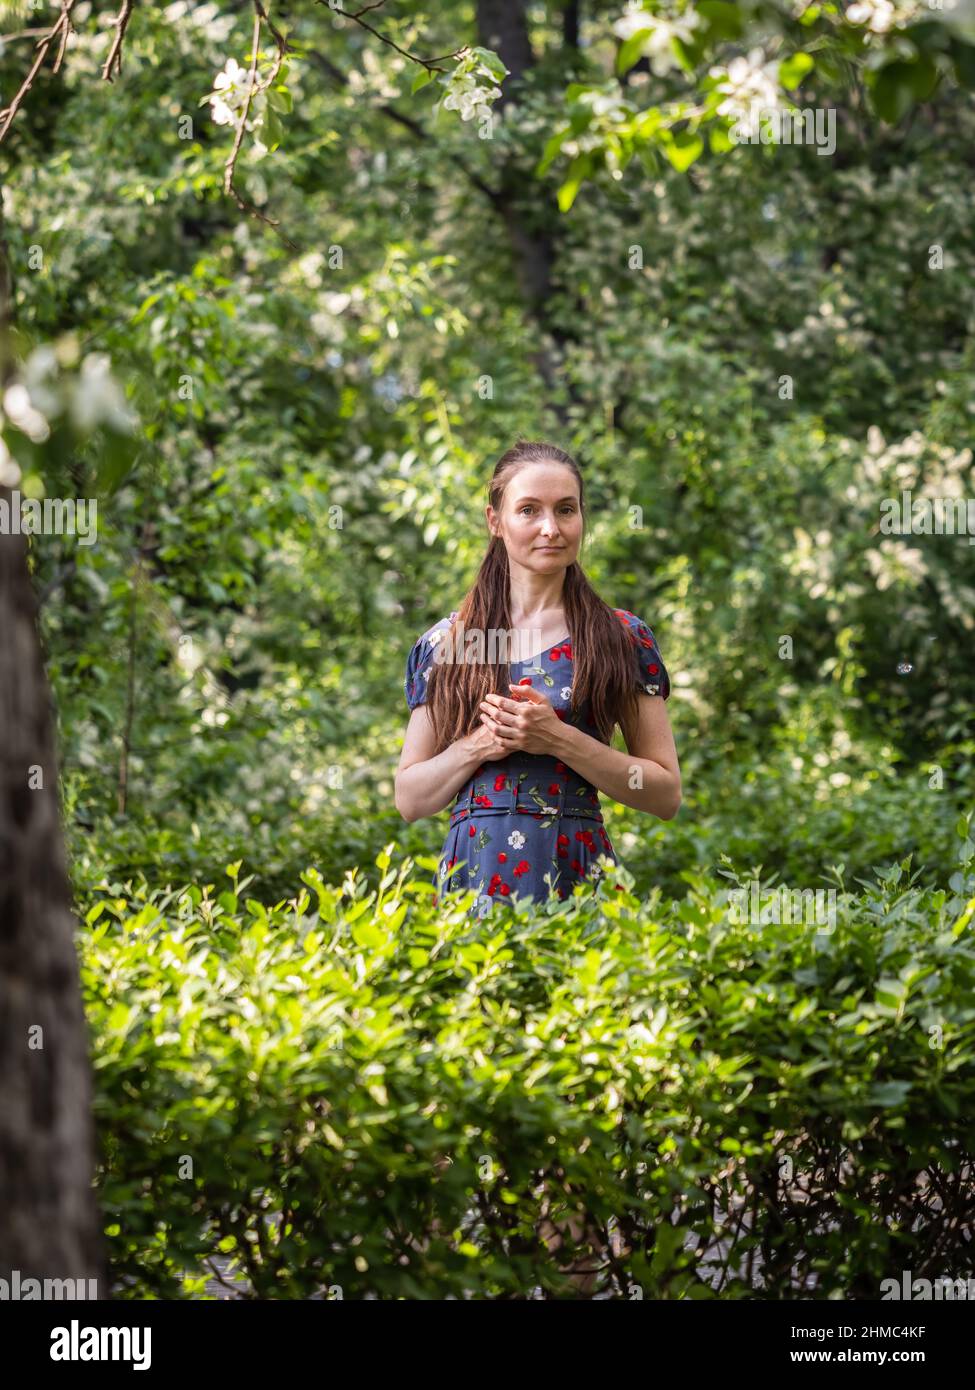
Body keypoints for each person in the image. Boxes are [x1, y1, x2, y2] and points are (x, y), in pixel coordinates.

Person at [395, 438, 681, 916]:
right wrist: (481, 744)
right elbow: (411, 798)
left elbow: (664, 794)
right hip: (473, 882)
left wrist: (558, 739)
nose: (551, 528)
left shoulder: (618, 637)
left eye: (565, 510)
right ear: (495, 522)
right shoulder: (453, 642)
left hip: (579, 874)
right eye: (529, 510)